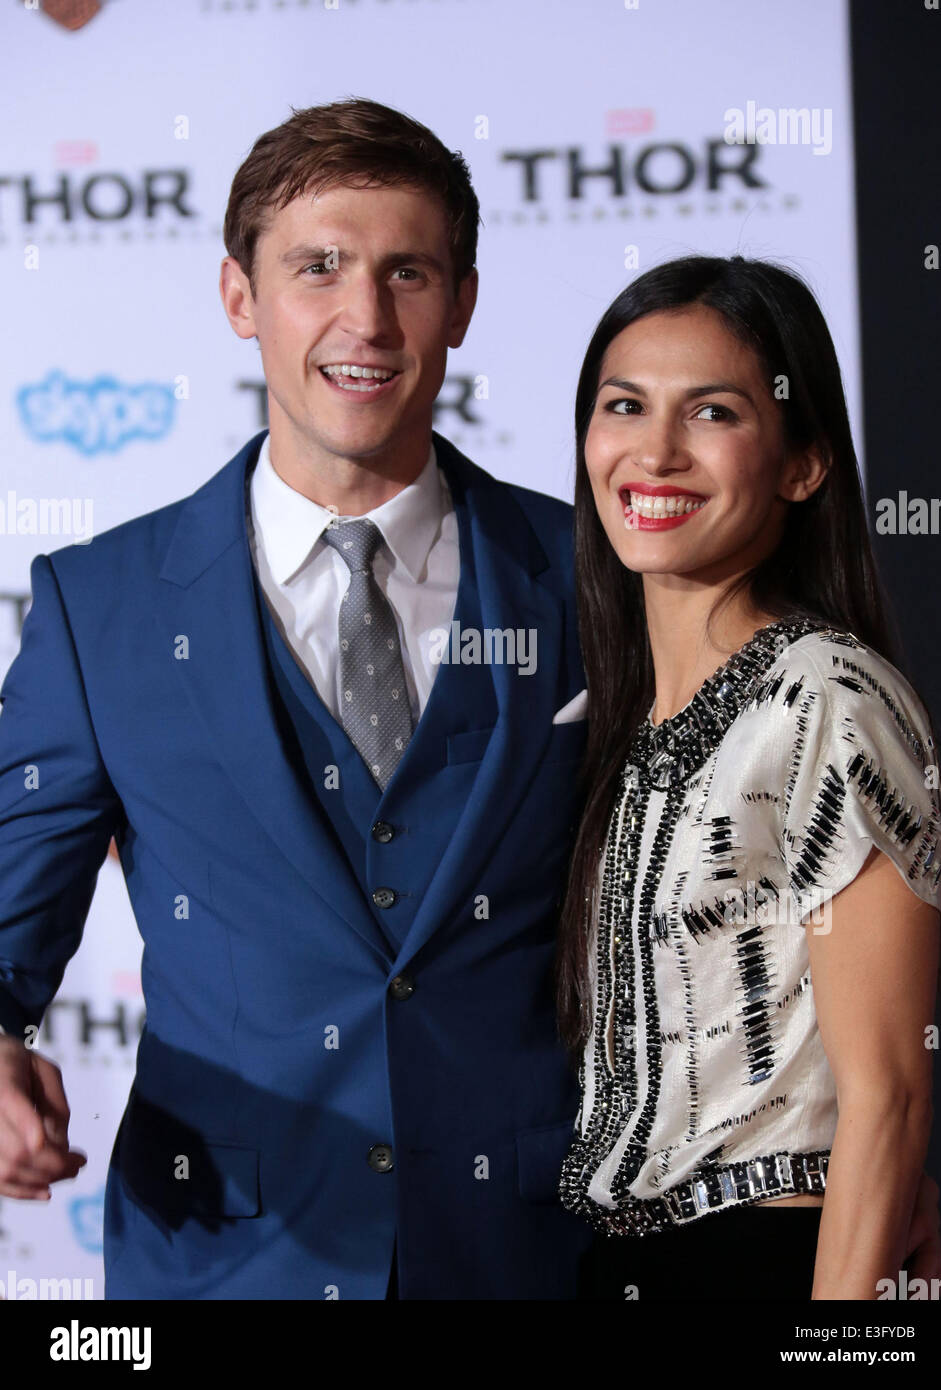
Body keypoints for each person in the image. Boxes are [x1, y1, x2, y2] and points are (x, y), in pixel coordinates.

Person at [0, 97, 593, 1300]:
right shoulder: (96, 604)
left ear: (463, 303)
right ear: (238, 298)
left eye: (406, 271)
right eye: (315, 267)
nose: (362, 318)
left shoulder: (597, 582)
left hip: (529, 1254)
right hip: (218, 1262)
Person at [555, 254, 941, 1300]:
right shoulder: (618, 715)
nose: (654, 451)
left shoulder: (825, 695)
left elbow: (889, 1098)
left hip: (771, 1263)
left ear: (802, 463)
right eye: (624, 405)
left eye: (712, 413)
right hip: (622, 1267)